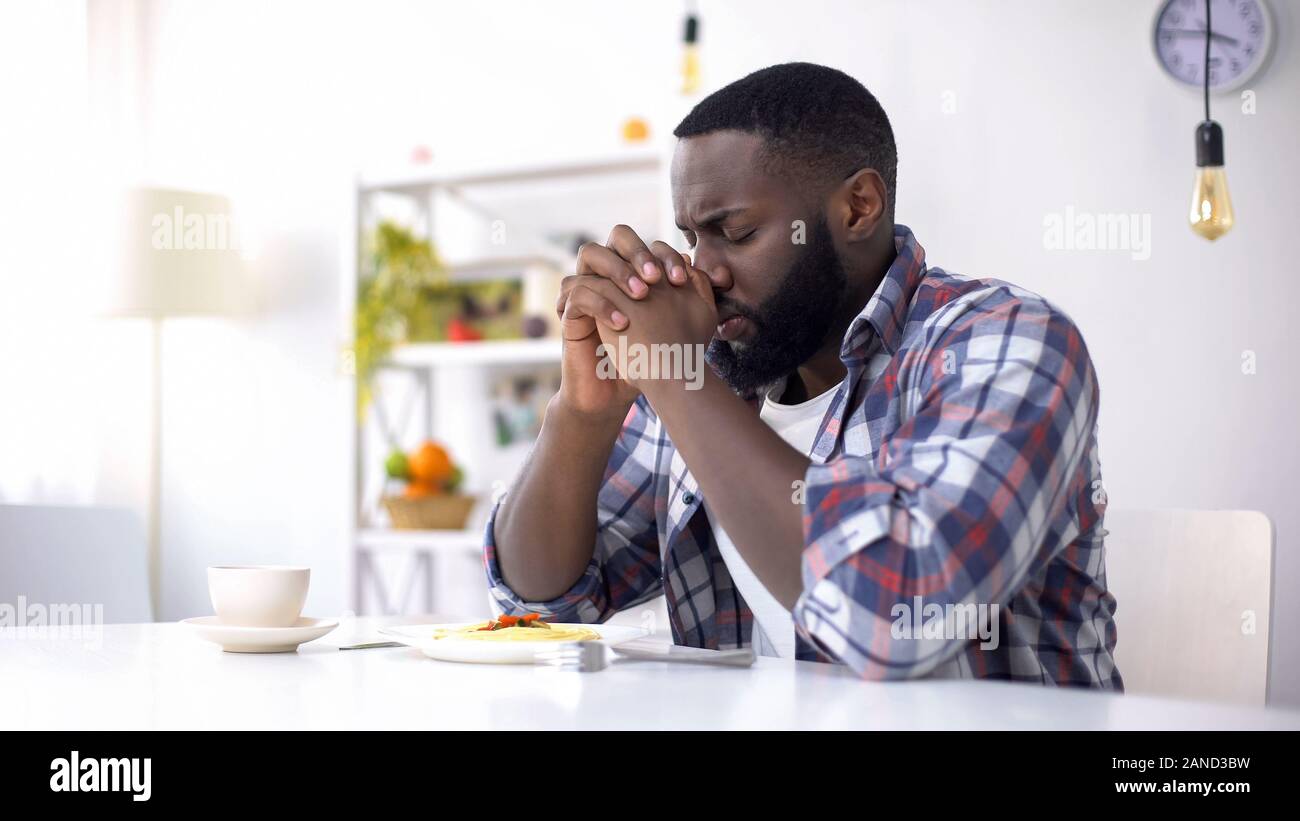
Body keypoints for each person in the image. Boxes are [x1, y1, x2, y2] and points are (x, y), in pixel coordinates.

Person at [484, 62, 1121, 687]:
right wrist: (583, 415)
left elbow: (894, 614)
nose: (705, 272)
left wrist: (676, 378)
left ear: (858, 207)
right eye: (690, 237)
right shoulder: (713, 369)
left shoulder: (1006, 342)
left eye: (735, 231)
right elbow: (539, 606)